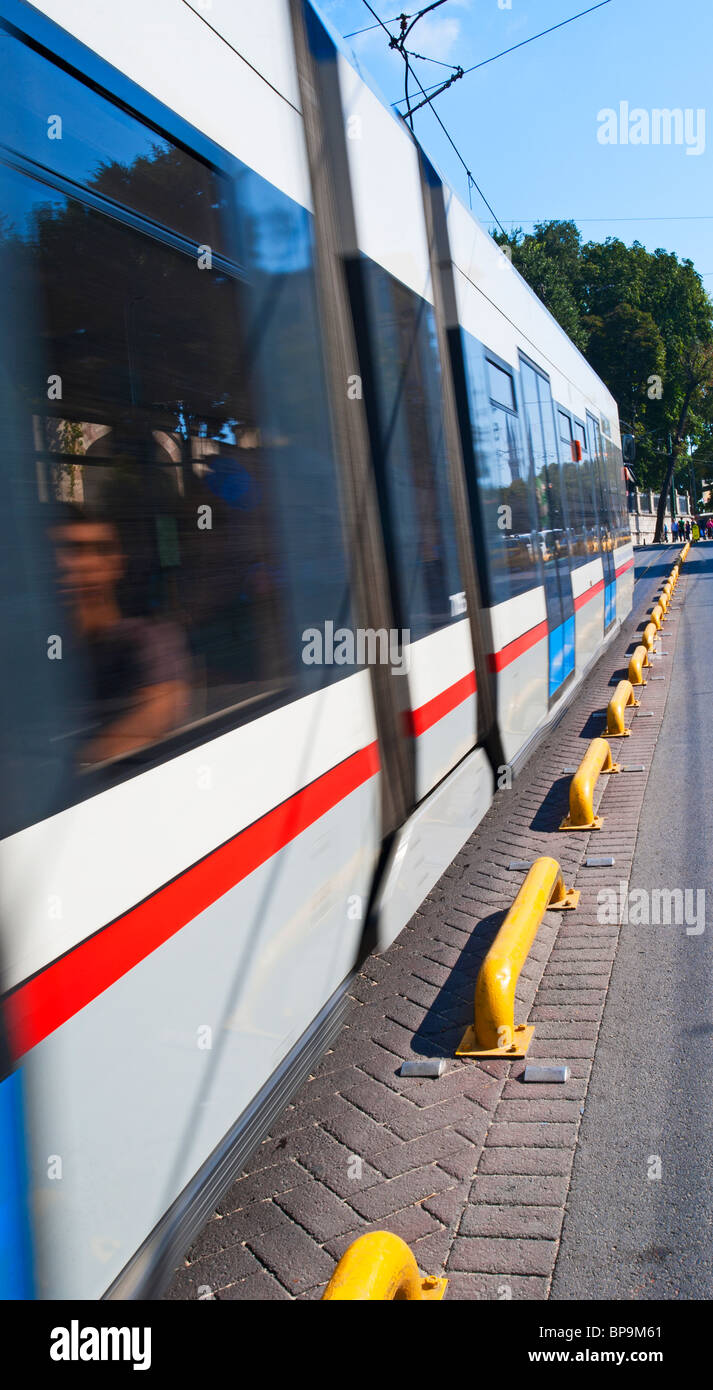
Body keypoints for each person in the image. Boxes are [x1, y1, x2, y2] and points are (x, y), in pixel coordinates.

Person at [51, 503, 191, 766]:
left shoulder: (148, 638)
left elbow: (159, 712)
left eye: (102, 550)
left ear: (118, 563)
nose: (87, 563)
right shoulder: (38, 645)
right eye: (72, 550)